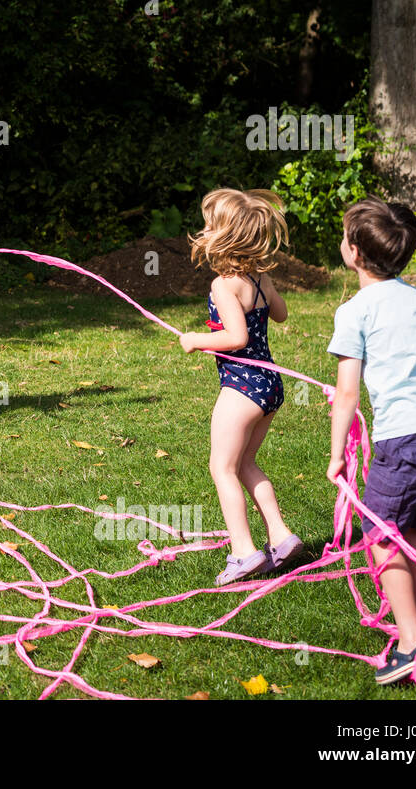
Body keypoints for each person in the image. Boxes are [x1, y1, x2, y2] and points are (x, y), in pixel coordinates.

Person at [325, 197, 416, 684]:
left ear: (355, 253)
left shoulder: (355, 310)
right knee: (410, 529)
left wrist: (335, 457)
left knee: (381, 535)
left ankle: (411, 642)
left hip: (407, 439)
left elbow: (346, 394)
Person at [179, 189, 300, 585]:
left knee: (222, 467)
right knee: (246, 463)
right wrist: (266, 292)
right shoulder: (260, 279)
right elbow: (280, 314)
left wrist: (196, 338)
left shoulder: (223, 284)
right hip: (270, 384)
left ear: (224, 237)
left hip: (242, 387)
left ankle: (245, 552)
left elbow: (235, 337)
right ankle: (280, 538)